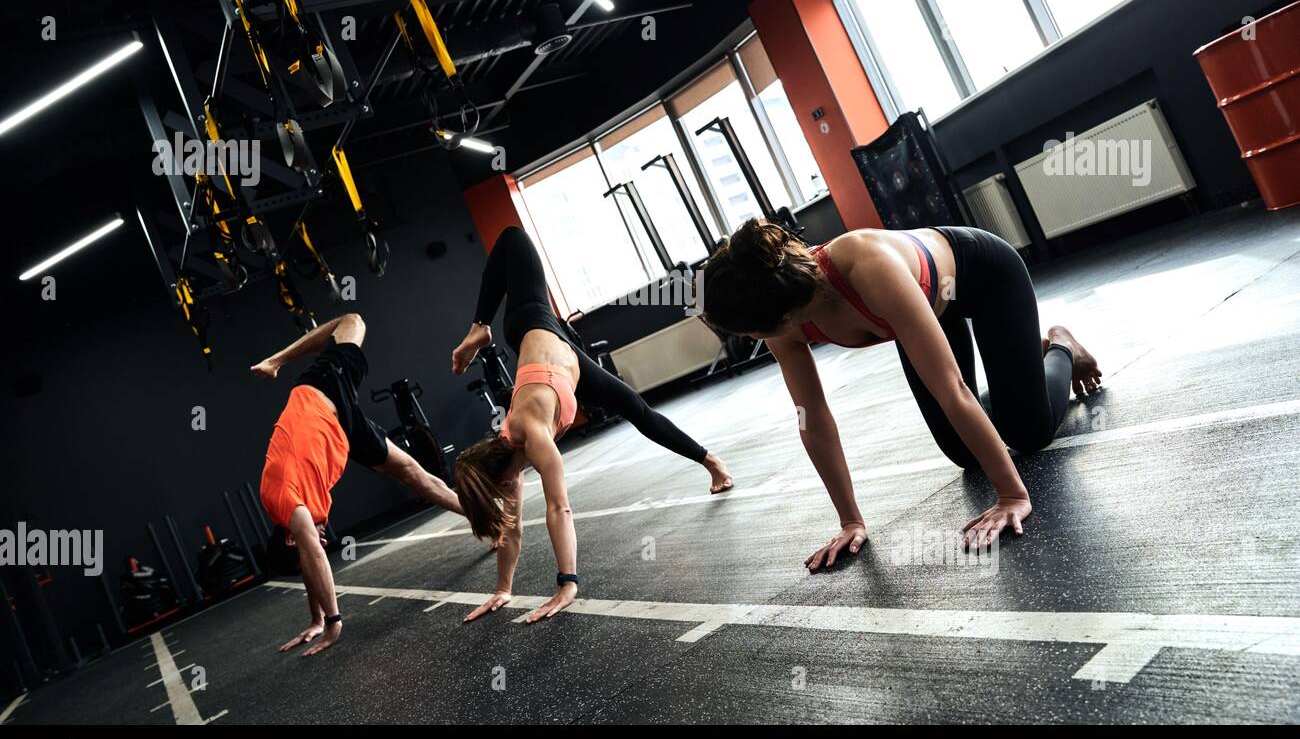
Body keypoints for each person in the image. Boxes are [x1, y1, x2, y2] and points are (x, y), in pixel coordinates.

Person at [700, 219, 1102, 569]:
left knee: (1027, 432)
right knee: (964, 453)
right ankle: (1017, 370)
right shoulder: (782, 323)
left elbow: (952, 389)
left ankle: (1061, 345)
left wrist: (1012, 495)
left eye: (748, 332)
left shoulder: (867, 267)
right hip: (925, 306)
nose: (749, 340)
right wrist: (850, 521)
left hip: (982, 276)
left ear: (782, 316)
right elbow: (812, 416)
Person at [451, 226, 732, 624]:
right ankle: (713, 463)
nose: (511, 495)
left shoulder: (532, 435)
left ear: (502, 476)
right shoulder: (506, 459)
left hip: (532, 322)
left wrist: (567, 583)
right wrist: (502, 590)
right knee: (633, 407)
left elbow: (559, 509)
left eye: (504, 491)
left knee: (513, 236)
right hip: (566, 361)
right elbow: (511, 533)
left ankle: (713, 462)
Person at [252, 313, 461, 656]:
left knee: (352, 320)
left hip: (320, 390)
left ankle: (275, 361)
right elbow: (308, 558)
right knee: (411, 471)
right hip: (342, 428)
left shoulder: (283, 501)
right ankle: (481, 516)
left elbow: (312, 551)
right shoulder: (294, 519)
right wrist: (315, 620)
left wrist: (333, 622)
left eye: (306, 541)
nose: (320, 538)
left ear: (289, 536)